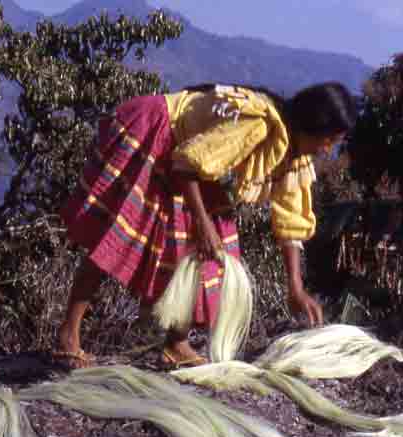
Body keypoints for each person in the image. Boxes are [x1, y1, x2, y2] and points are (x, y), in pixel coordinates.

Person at [53, 82, 358, 369]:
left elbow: (291, 220)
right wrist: (201, 222)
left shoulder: (295, 154)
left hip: (188, 160)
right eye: (328, 139)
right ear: (312, 125)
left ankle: (176, 343)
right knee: (121, 235)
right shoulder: (257, 125)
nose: (327, 150)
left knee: (215, 246)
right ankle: (69, 335)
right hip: (156, 130)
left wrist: (295, 287)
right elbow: (186, 164)